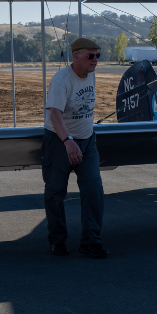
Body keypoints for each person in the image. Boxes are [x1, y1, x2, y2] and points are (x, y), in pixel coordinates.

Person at [43, 37, 108, 258]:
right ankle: (58, 241)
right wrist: (68, 141)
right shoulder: (61, 81)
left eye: (98, 55)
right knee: (55, 192)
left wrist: (80, 139)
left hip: (88, 140)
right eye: (91, 55)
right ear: (76, 56)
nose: (95, 60)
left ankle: (91, 242)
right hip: (60, 141)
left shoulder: (91, 74)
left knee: (93, 190)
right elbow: (54, 114)